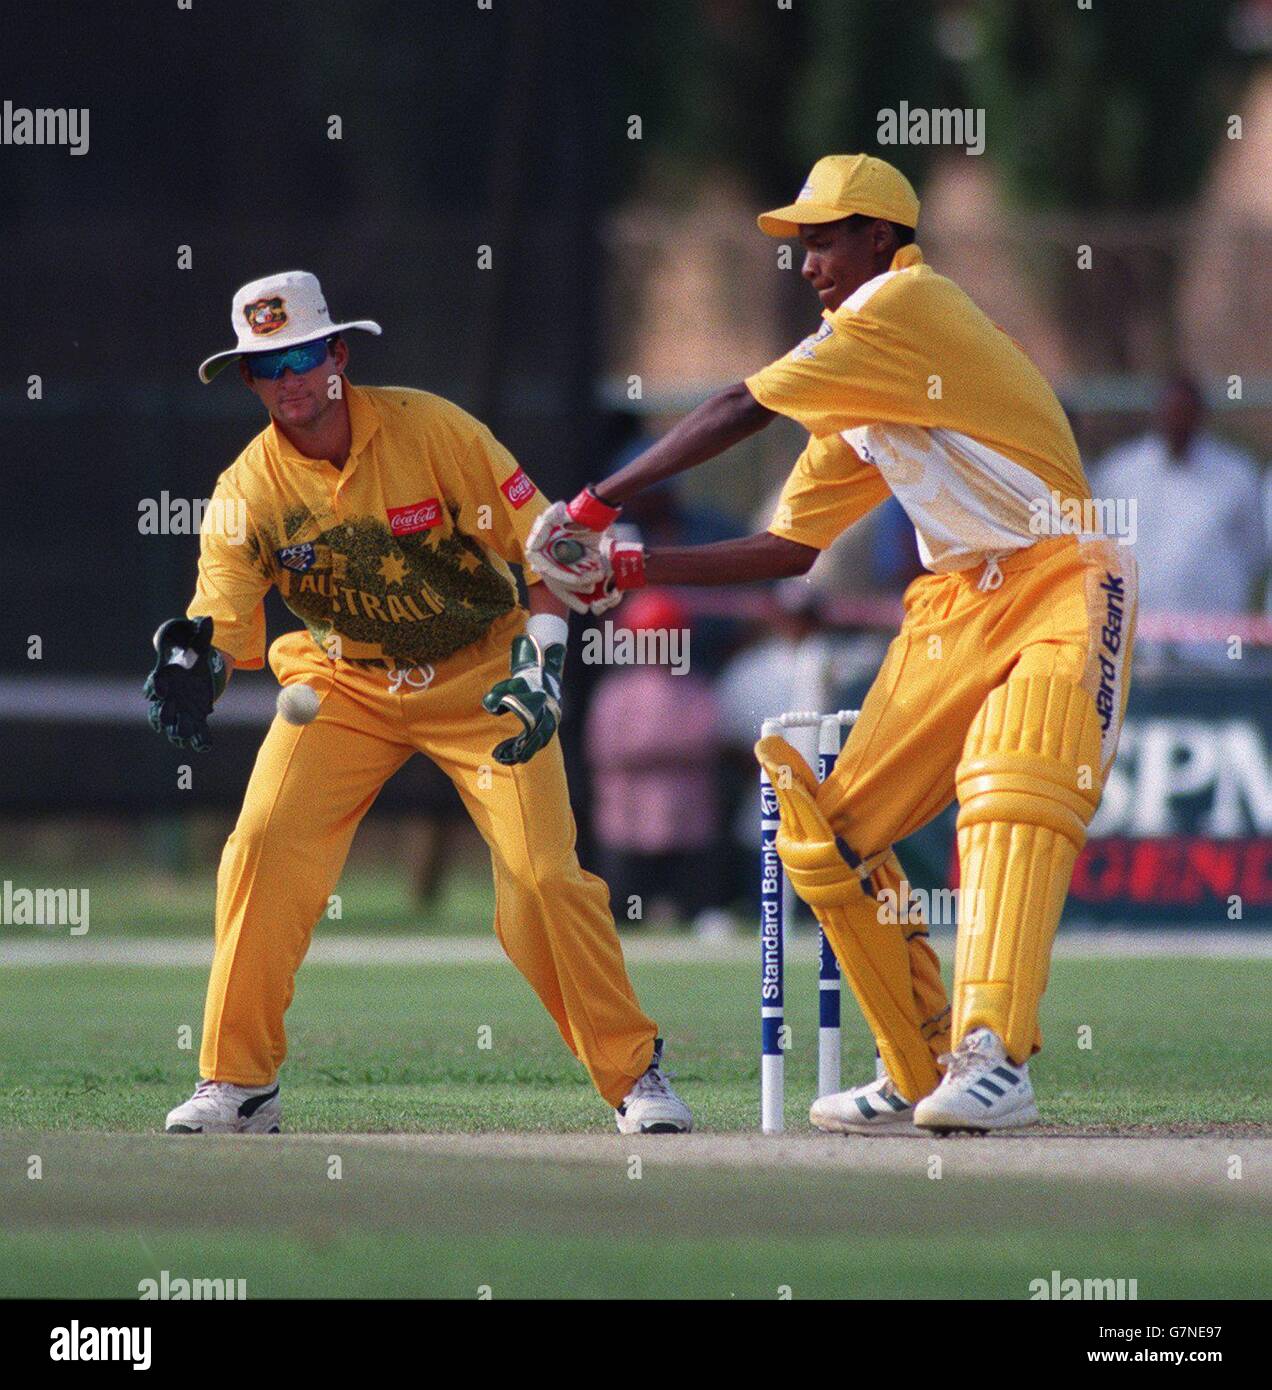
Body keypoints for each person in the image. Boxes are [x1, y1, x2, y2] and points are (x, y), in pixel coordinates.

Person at [527, 154, 1137, 1134]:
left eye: (825, 238)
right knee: (829, 839)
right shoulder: (857, 374)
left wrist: (597, 505)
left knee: (1011, 787)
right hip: (953, 600)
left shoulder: (906, 308)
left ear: (883, 238)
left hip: (1061, 572)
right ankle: (923, 1064)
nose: (807, 261)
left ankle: (994, 1056)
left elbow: (736, 408)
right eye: (800, 243)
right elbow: (787, 550)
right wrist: (631, 571)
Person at [144, 270, 690, 1136]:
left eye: (298, 355)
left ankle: (634, 1076)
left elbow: (550, 551)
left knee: (541, 883)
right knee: (261, 845)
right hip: (342, 685)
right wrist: (192, 664)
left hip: (482, 675)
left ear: (337, 353)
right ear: (247, 381)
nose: (286, 380)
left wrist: (542, 667)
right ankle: (237, 1084)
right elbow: (223, 630)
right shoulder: (246, 488)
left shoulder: (431, 430)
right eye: (263, 366)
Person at [1092, 374, 1264, 667]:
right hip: (1138, 647)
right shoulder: (1121, 471)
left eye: (1185, 413)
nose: (1177, 421)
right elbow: (1098, 547)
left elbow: (1255, 552)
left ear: (1201, 416)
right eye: (1170, 412)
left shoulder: (1236, 475)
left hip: (1212, 646)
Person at [583, 589, 725, 931]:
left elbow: (705, 742)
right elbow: (604, 749)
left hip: (685, 820)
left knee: (698, 910)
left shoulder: (695, 687)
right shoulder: (616, 692)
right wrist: (663, 752)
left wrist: (652, 751)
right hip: (627, 819)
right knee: (624, 913)